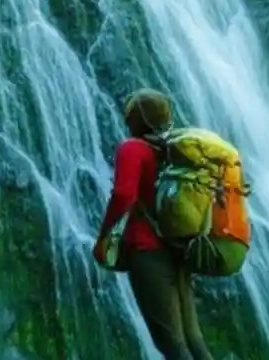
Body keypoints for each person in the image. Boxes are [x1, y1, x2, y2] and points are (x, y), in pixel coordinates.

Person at [93, 89, 214, 360]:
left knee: (171, 342)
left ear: (138, 119)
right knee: (193, 339)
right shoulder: (174, 150)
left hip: (147, 250)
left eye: (130, 115)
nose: (125, 120)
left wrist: (104, 235)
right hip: (179, 247)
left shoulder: (132, 148)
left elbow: (124, 194)